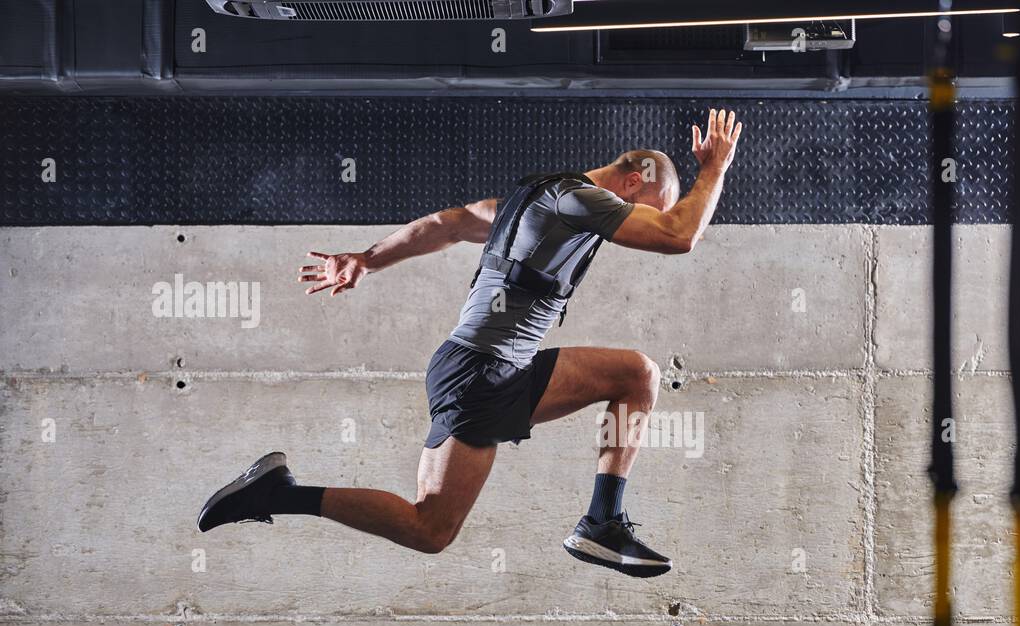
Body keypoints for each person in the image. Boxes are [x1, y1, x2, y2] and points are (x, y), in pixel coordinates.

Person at [198, 109, 743, 577]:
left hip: (501, 366)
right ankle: (276, 493)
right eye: (648, 206)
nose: (642, 220)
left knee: (637, 375)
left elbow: (450, 222)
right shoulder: (582, 197)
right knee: (429, 529)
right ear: (632, 182)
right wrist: (713, 169)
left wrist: (367, 258)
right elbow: (679, 236)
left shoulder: (531, 200)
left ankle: (602, 519)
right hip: (481, 372)